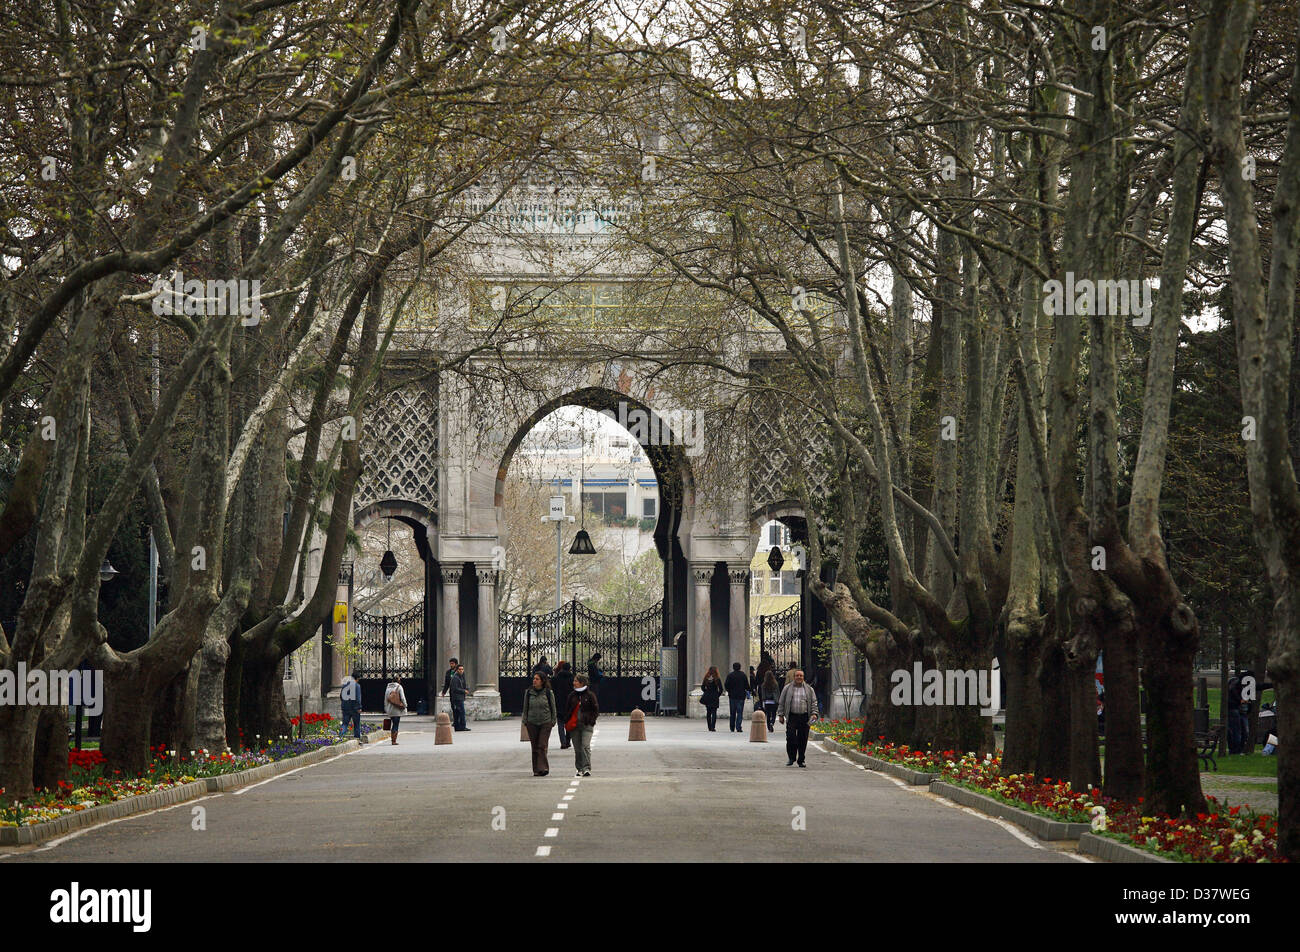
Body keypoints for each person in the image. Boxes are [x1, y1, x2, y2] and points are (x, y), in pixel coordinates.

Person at [777, 668, 819, 767]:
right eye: (797, 676)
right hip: (792, 716)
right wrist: (781, 715)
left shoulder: (809, 689)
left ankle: (801, 760)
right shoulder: (787, 688)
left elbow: (814, 702)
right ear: (794, 677)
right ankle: (791, 758)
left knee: (803, 739)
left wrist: (814, 713)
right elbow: (781, 702)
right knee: (791, 738)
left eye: (801, 676)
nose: (799, 677)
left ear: (803, 677)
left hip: (804, 717)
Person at [522, 671, 557, 776]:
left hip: (545, 722)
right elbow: (525, 707)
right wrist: (525, 721)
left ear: (542, 681)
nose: (534, 681)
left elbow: (553, 707)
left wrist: (553, 721)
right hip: (532, 722)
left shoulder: (548, 692)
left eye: (537, 679)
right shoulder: (529, 693)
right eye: (534, 679)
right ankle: (536, 769)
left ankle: (544, 768)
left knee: (542, 745)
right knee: (535, 746)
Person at [564, 672, 599, 776]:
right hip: (574, 726)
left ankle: (586, 768)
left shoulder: (590, 695)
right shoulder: (572, 696)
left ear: (582, 683)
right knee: (577, 748)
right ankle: (579, 768)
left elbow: (595, 709)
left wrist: (591, 720)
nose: (573, 683)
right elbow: (567, 709)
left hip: (586, 725)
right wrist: (567, 720)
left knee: (585, 746)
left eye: (575, 681)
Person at [552, 660, 575, 749]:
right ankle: (568, 741)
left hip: (558, 703)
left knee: (560, 725)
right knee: (568, 723)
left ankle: (563, 742)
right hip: (569, 704)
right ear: (569, 669)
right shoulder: (572, 679)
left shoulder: (555, 678)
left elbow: (552, 689)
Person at [441, 656, 469, 731]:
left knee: (459, 710)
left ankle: (457, 724)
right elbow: (447, 683)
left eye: (452, 663)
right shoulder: (449, 673)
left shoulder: (461, 674)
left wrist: (466, 689)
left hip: (459, 694)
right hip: (454, 693)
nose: (451, 665)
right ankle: (458, 724)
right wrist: (444, 691)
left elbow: (464, 682)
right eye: (450, 663)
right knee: (455, 709)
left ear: (456, 664)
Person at [725, 662, 749, 732]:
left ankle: (732, 727)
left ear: (733, 667)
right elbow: (747, 685)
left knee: (732, 713)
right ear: (740, 667)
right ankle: (738, 727)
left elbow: (726, 685)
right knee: (740, 712)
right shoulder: (743, 675)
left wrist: (729, 691)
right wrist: (749, 690)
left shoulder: (730, 675)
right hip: (741, 696)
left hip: (732, 696)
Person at [384, 677, 408, 746]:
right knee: (396, 724)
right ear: (398, 681)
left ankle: (393, 739)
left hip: (390, 709)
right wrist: (405, 705)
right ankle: (394, 741)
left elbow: (385, 699)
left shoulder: (388, 688)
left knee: (394, 723)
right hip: (397, 709)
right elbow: (403, 698)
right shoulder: (399, 687)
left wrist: (386, 708)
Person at [339, 670, 362, 739]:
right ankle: (357, 739)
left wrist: (344, 703)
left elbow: (341, 696)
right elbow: (358, 698)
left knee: (345, 724)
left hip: (345, 708)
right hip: (354, 708)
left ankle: (340, 736)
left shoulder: (345, 685)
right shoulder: (357, 686)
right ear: (357, 678)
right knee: (356, 724)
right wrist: (359, 707)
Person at [700, 666, 723, 731]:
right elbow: (721, 689)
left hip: (708, 697)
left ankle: (709, 727)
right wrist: (717, 695)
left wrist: (706, 692)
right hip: (714, 696)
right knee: (714, 712)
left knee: (708, 712)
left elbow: (702, 687)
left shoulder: (706, 678)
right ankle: (713, 727)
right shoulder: (717, 679)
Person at [1226, 673, 1244, 754]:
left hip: (1230, 709)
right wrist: (1240, 700)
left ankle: (1232, 749)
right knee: (1237, 730)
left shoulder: (1230, 685)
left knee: (1232, 730)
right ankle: (1236, 750)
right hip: (1234, 709)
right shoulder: (1235, 684)